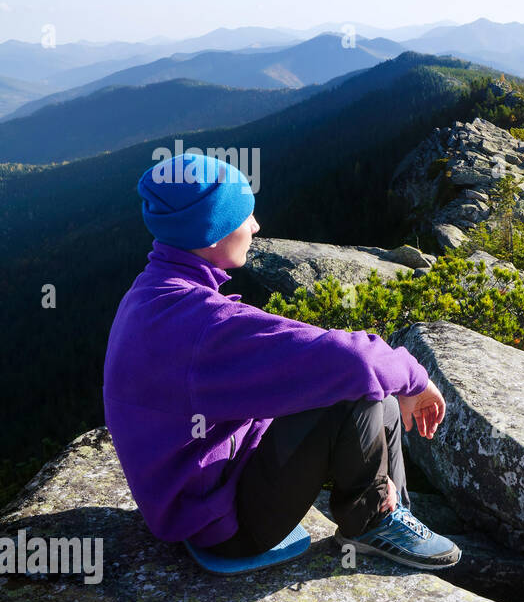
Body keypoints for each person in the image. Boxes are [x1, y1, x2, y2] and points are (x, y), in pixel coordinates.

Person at [102, 152, 460, 570]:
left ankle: (391, 511)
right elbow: (349, 360)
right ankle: (371, 522)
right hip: (224, 530)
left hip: (201, 492)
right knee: (351, 390)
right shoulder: (201, 325)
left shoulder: (154, 291)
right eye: (245, 216)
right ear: (214, 231)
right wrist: (416, 380)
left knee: (375, 392)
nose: (256, 227)